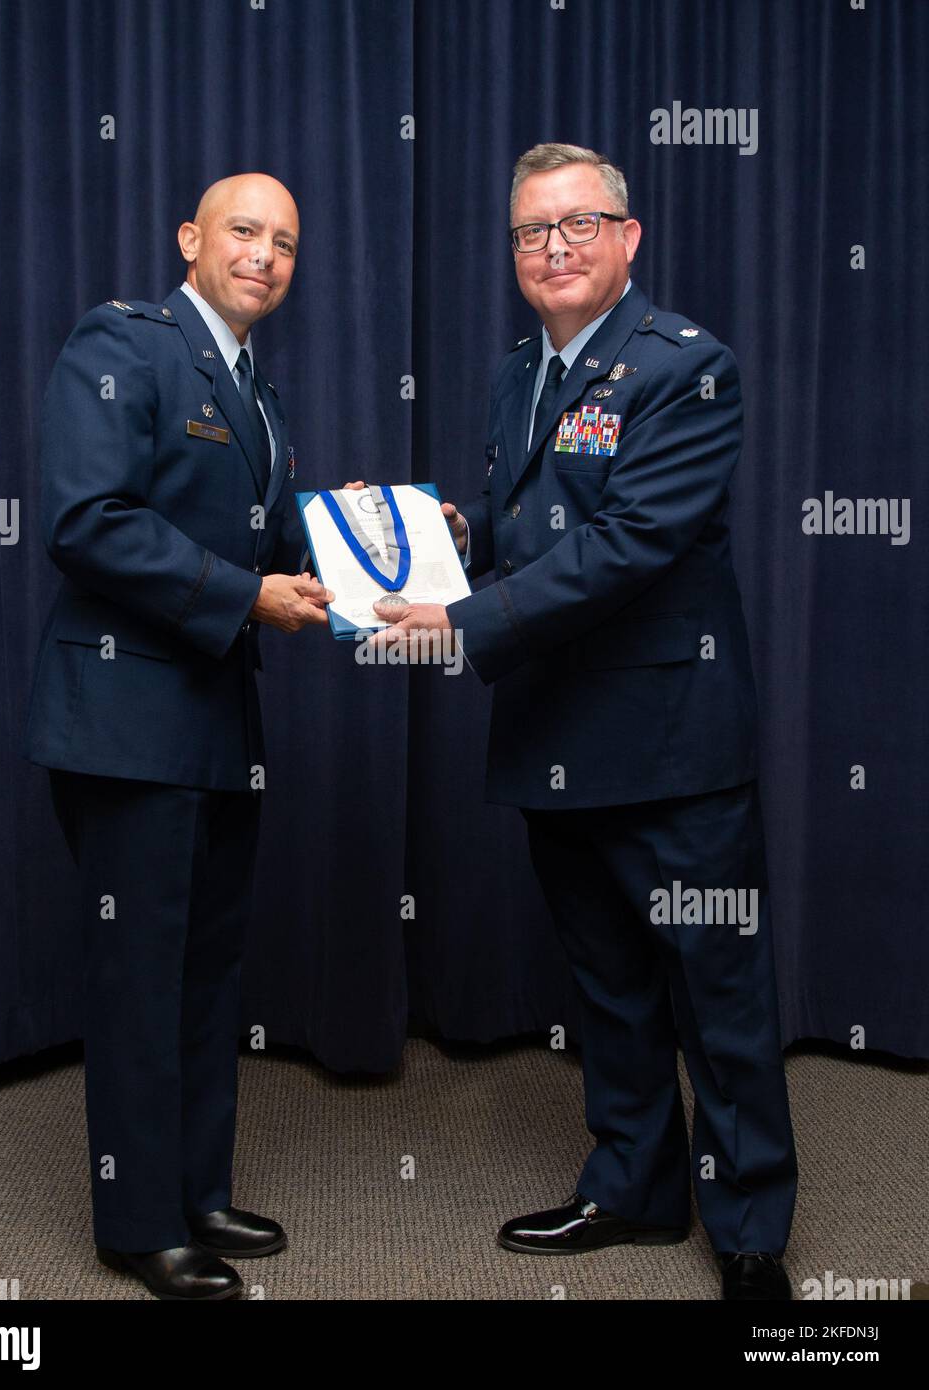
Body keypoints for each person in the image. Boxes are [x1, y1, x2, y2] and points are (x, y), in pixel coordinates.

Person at [373, 143, 798, 1301]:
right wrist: (440, 538)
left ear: (627, 236)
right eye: (528, 233)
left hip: (671, 745)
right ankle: (632, 1187)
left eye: (576, 224)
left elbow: (627, 548)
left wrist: (456, 624)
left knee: (715, 993)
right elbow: (535, 529)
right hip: (555, 735)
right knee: (605, 988)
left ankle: (751, 1233)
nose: (551, 248)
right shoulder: (521, 372)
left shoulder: (687, 365)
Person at [23, 173, 333, 1300]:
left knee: (205, 973)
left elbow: (258, 529)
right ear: (190, 238)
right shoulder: (124, 340)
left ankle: (196, 1188)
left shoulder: (252, 386)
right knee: (140, 978)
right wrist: (249, 597)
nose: (263, 255)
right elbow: (86, 520)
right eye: (243, 231)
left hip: (215, 718)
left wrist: (362, 538)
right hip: (126, 717)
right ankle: (137, 1220)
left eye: (285, 242)